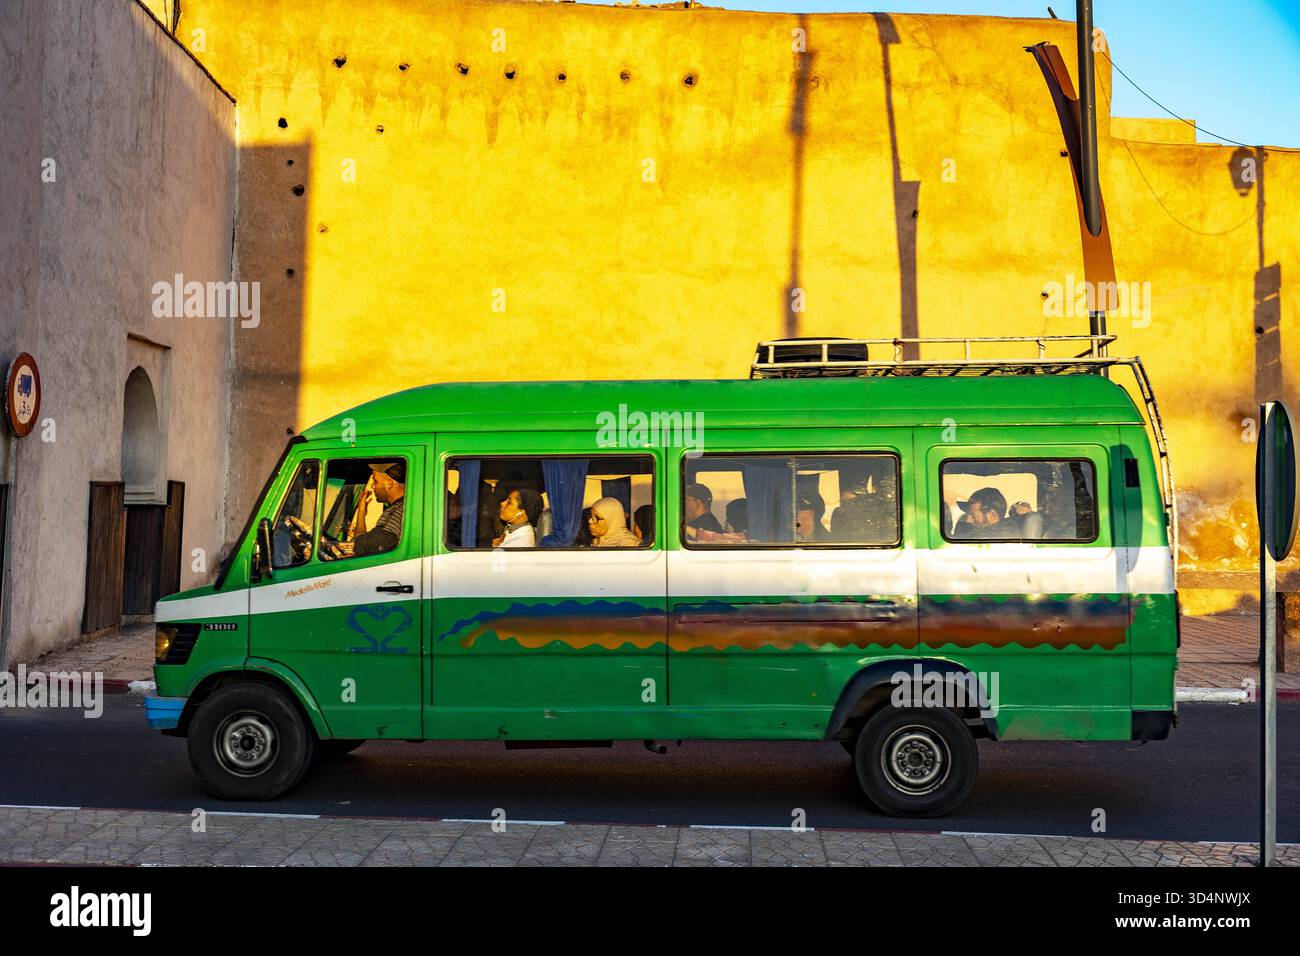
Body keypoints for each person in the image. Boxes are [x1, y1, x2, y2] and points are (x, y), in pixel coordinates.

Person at [326, 461, 406, 558]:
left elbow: (362, 548)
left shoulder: (395, 513)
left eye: (375, 481)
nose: (373, 486)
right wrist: (362, 511)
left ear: (389, 484)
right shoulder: (402, 508)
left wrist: (361, 512)